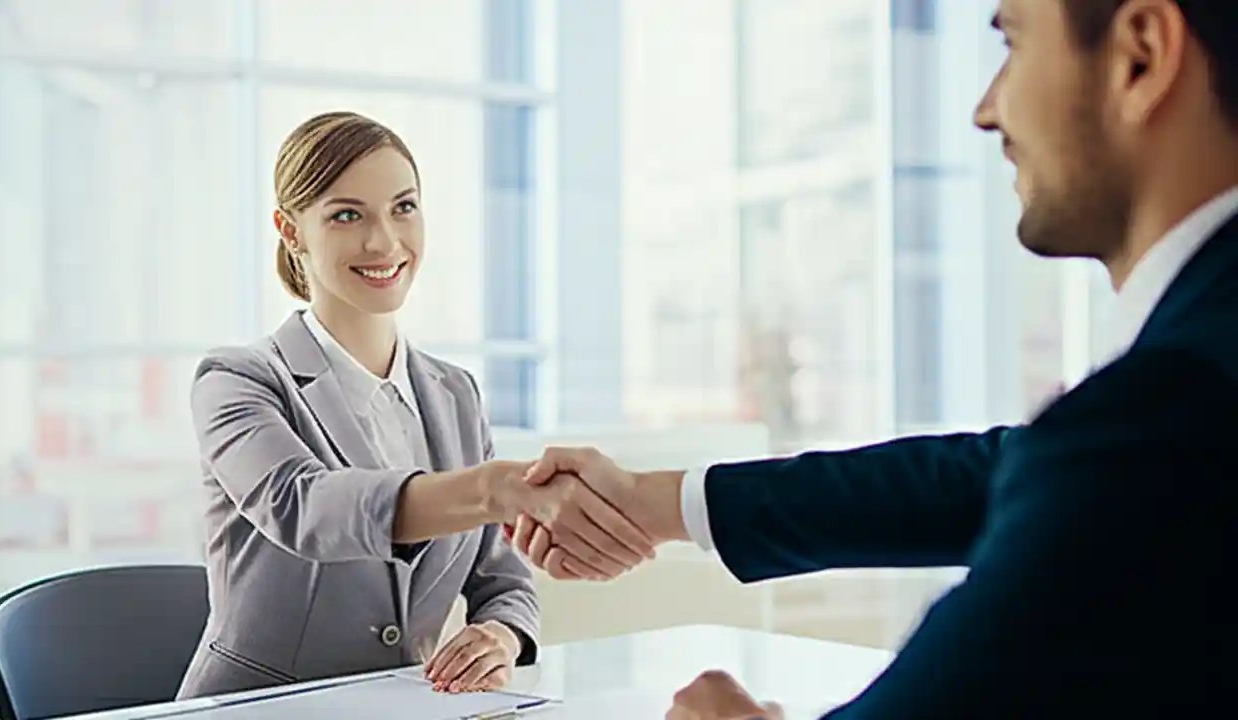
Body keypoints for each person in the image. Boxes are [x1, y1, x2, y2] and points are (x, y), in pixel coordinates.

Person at [512, 0, 1238, 716]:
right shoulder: (1173, 399)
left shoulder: (1165, 413)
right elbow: (1005, 475)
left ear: (1139, 57)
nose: (987, 110)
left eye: (1012, 42)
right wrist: (662, 502)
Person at [177, 111, 654, 699]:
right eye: (347, 215)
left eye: (403, 208)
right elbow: (304, 507)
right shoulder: (237, 380)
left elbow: (500, 575)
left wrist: (499, 635)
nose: (384, 241)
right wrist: (490, 488)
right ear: (290, 229)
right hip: (256, 711)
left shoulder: (453, 394)